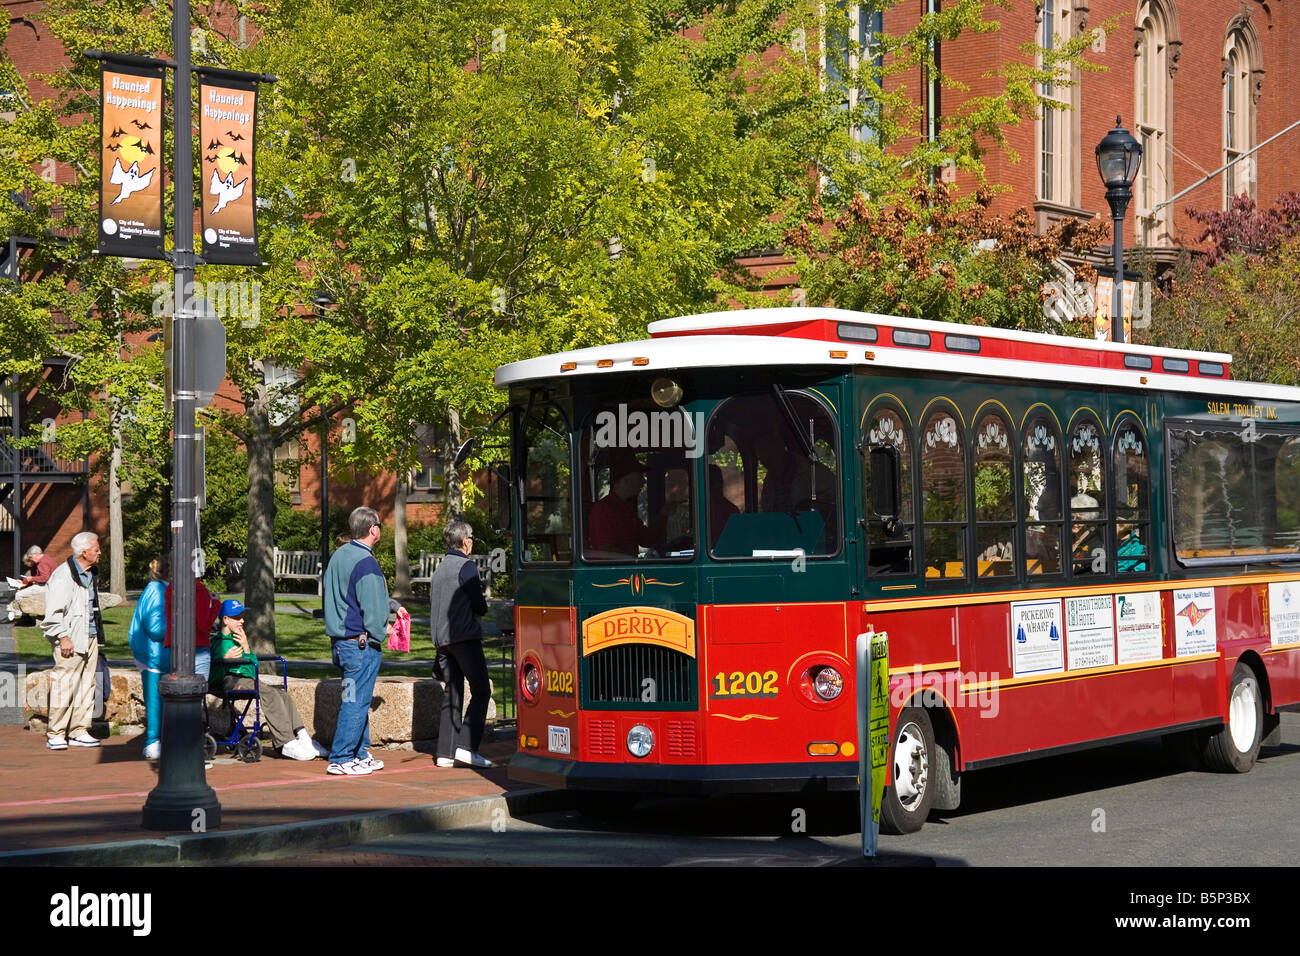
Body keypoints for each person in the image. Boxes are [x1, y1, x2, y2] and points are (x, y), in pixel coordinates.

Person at [322, 506, 389, 776]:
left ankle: (359, 753)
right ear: (373, 529)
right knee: (355, 701)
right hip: (360, 644)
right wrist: (382, 633)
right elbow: (373, 610)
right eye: (380, 525)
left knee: (357, 699)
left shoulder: (339, 556)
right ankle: (341, 756)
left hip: (341, 641)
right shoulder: (366, 562)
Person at [210, 599, 318, 760]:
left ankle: (302, 737)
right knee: (270, 694)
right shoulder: (217, 643)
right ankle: (286, 742)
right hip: (229, 682)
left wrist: (246, 648)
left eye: (242, 616)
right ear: (226, 619)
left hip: (245, 679)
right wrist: (225, 660)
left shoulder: (238, 638)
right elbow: (212, 675)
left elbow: (252, 668)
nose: (242, 620)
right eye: (237, 617)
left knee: (281, 694)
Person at [430, 520, 493, 768]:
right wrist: (484, 606)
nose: (472, 543)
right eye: (472, 539)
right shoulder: (466, 566)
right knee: (481, 690)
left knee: (453, 692)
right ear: (465, 541)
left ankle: (444, 752)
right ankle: (467, 746)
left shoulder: (440, 567)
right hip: (464, 637)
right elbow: (478, 604)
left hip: (442, 641)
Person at [39, 532, 103, 751]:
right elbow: (53, 612)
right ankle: (56, 733)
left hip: (90, 637)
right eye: (96, 549)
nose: (99, 552)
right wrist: (63, 637)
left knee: (87, 685)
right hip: (70, 640)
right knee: (64, 684)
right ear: (84, 552)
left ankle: (79, 730)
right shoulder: (63, 576)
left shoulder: (89, 573)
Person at [127, 557, 168, 760]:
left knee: (160, 699)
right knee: (155, 699)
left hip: (159, 655)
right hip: (153, 654)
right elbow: (155, 627)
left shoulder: (162, 588)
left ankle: (159, 738)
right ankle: (152, 741)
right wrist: (182, 627)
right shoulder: (155, 590)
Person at [163, 572, 220, 680]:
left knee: (177, 689)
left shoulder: (170, 589)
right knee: (198, 691)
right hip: (198, 646)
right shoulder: (199, 590)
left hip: (175, 648)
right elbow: (203, 625)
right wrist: (215, 604)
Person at [6, 545, 56, 621]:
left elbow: (45, 578)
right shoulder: (45, 559)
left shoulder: (43, 563)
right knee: (17, 592)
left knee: (19, 594)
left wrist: (31, 579)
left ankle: (16, 615)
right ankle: (22, 616)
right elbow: (36, 578)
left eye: (30, 557)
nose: (30, 560)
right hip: (47, 586)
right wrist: (23, 582)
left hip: (47, 587)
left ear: (35, 554)